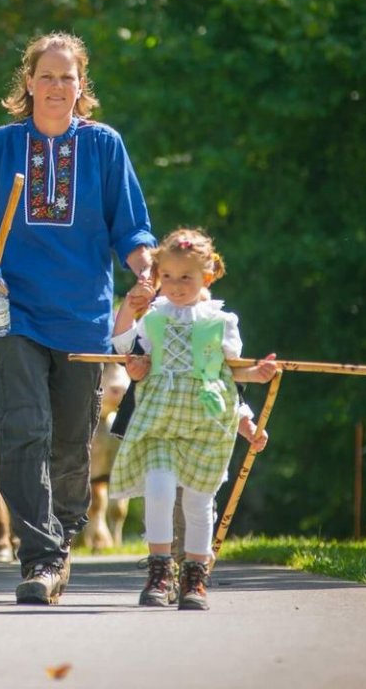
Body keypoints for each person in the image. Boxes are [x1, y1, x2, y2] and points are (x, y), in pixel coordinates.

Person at [0, 31, 155, 605]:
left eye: (68, 77)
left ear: (80, 85)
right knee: (23, 431)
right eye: (47, 75)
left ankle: (60, 541)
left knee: (71, 443)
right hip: (12, 313)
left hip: (84, 319)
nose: (57, 86)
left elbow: (132, 230)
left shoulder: (103, 146)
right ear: (28, 82)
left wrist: (145, 271)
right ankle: (40, 556)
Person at [107, 227, 277, 610]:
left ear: (208, 276)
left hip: (206, 421)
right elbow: (124, 350)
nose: (176, 285)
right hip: (159, 420)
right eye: (167, 276)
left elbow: (230, 375)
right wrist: (133, 361)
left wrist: (254, 382)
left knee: (199, 503)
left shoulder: (220, 322)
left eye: (186, 277)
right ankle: (160, 569)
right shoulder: (153, 317)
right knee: (160, 488)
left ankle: (195, 577)